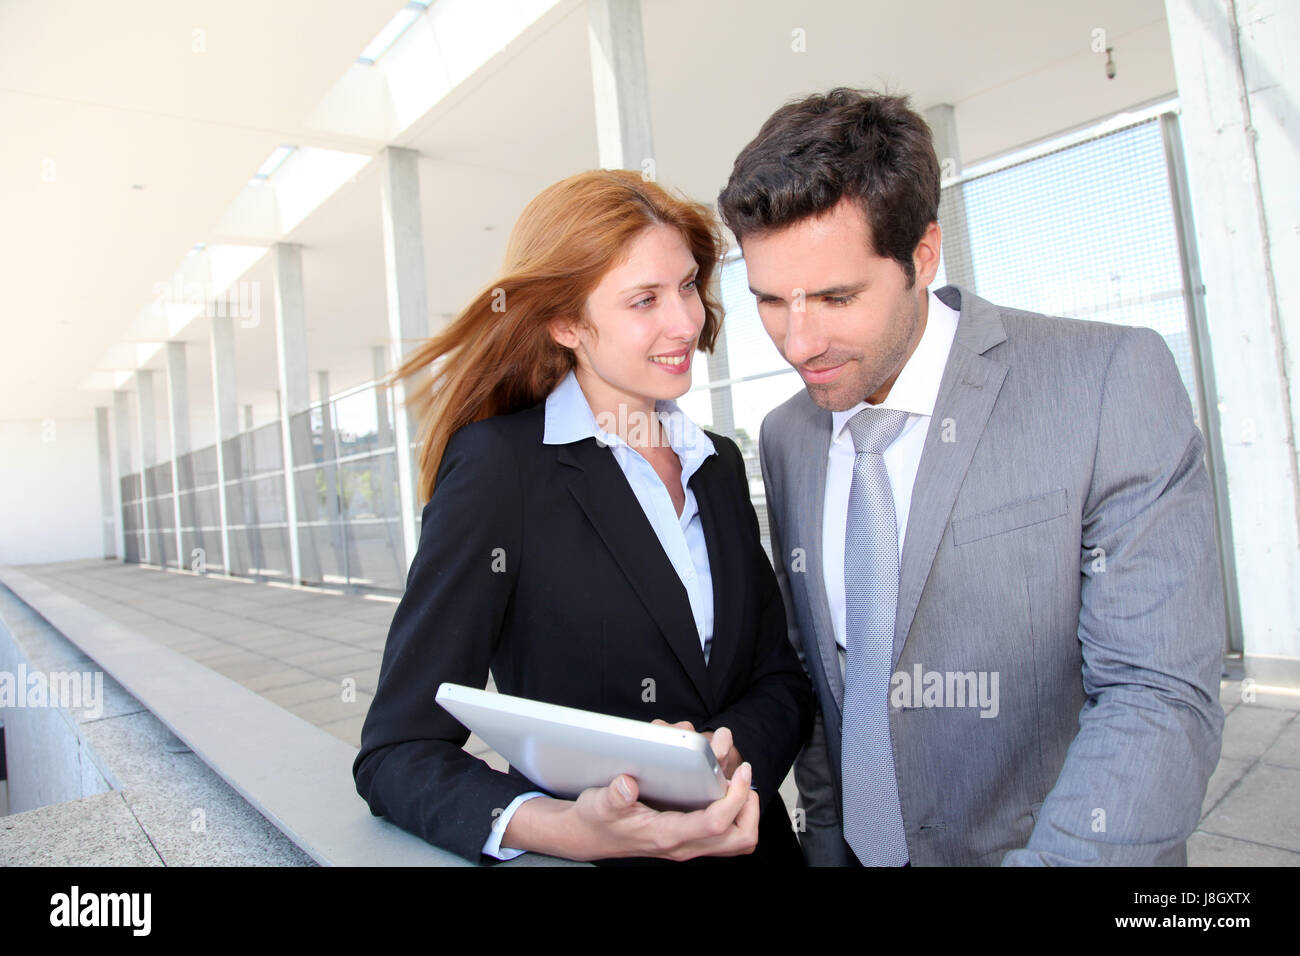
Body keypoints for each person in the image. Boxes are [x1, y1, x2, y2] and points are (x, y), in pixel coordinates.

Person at [715, 88, 1226, 866]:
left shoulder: (1106, 382)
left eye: (836, 296)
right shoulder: (788, 436)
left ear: (923, 254)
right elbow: (823, 682)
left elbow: (1156, 698)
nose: (798, 340)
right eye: (768, 302)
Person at [352, 168, 813, 866]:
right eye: (644, 300)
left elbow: (780, 680)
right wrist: (567, 827)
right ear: (565, 323)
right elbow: (397, 750)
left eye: (688, 285)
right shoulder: (499, 469)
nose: (686, 321)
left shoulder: (715, 462)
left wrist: (721, 753)